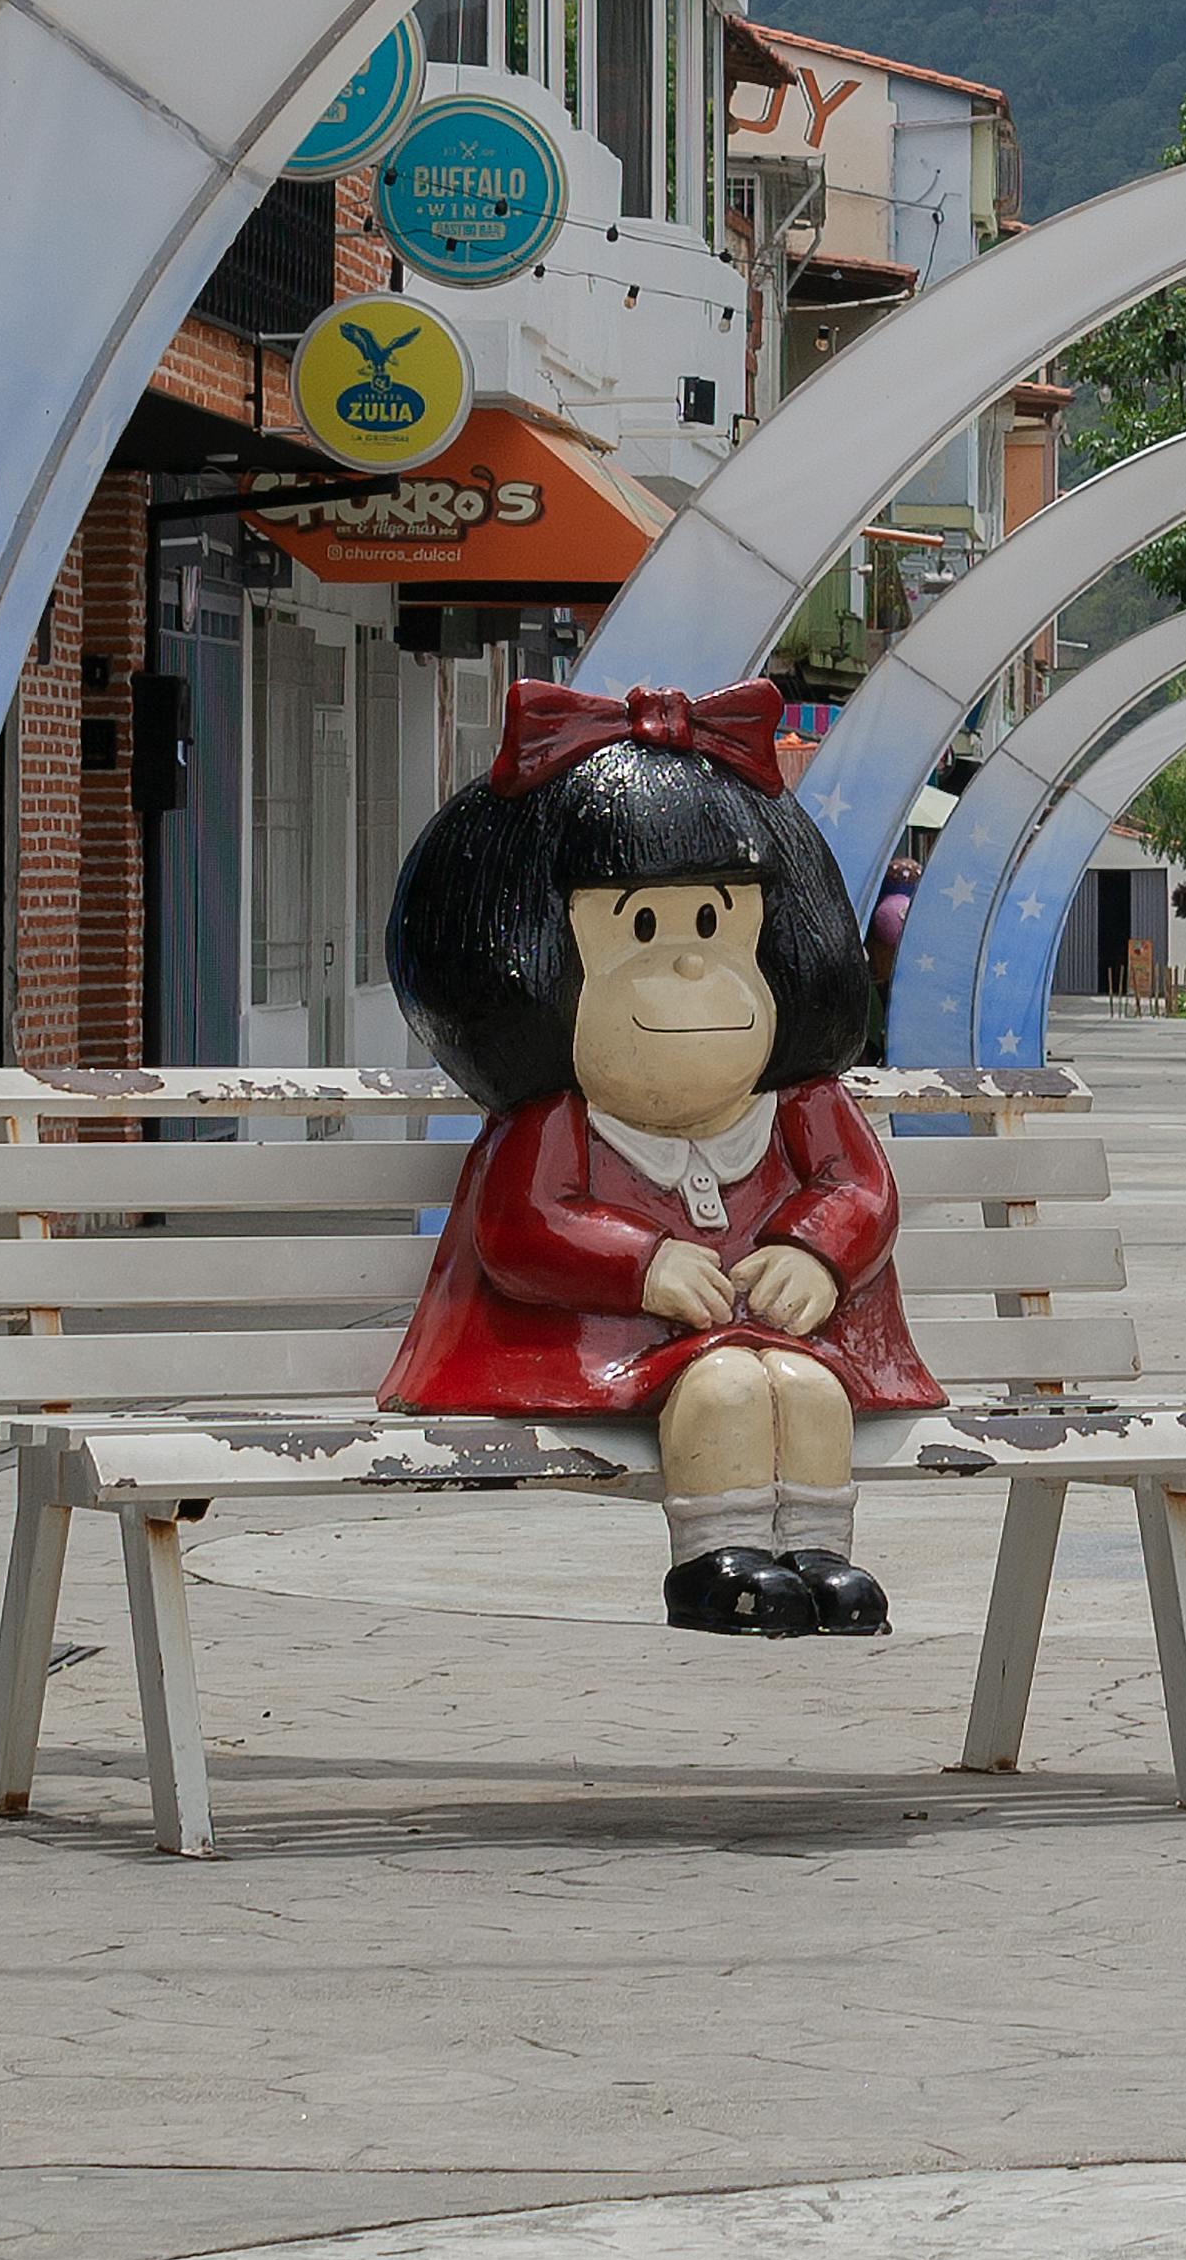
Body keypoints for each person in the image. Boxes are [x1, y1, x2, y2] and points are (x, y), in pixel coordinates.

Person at [382, 677, 931, 1637]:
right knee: (724, 1388)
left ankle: (817, 1552)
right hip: (611, 1350)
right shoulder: (560, 1120)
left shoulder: (798, 1104)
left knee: (808, 1389)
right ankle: (717, 1561)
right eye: (642, 927)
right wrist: (643, 1263)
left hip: (776, 1329)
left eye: (715, 925)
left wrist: (814, 1251)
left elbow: (861, 1186)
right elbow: (521, 1227)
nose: (688, 965)